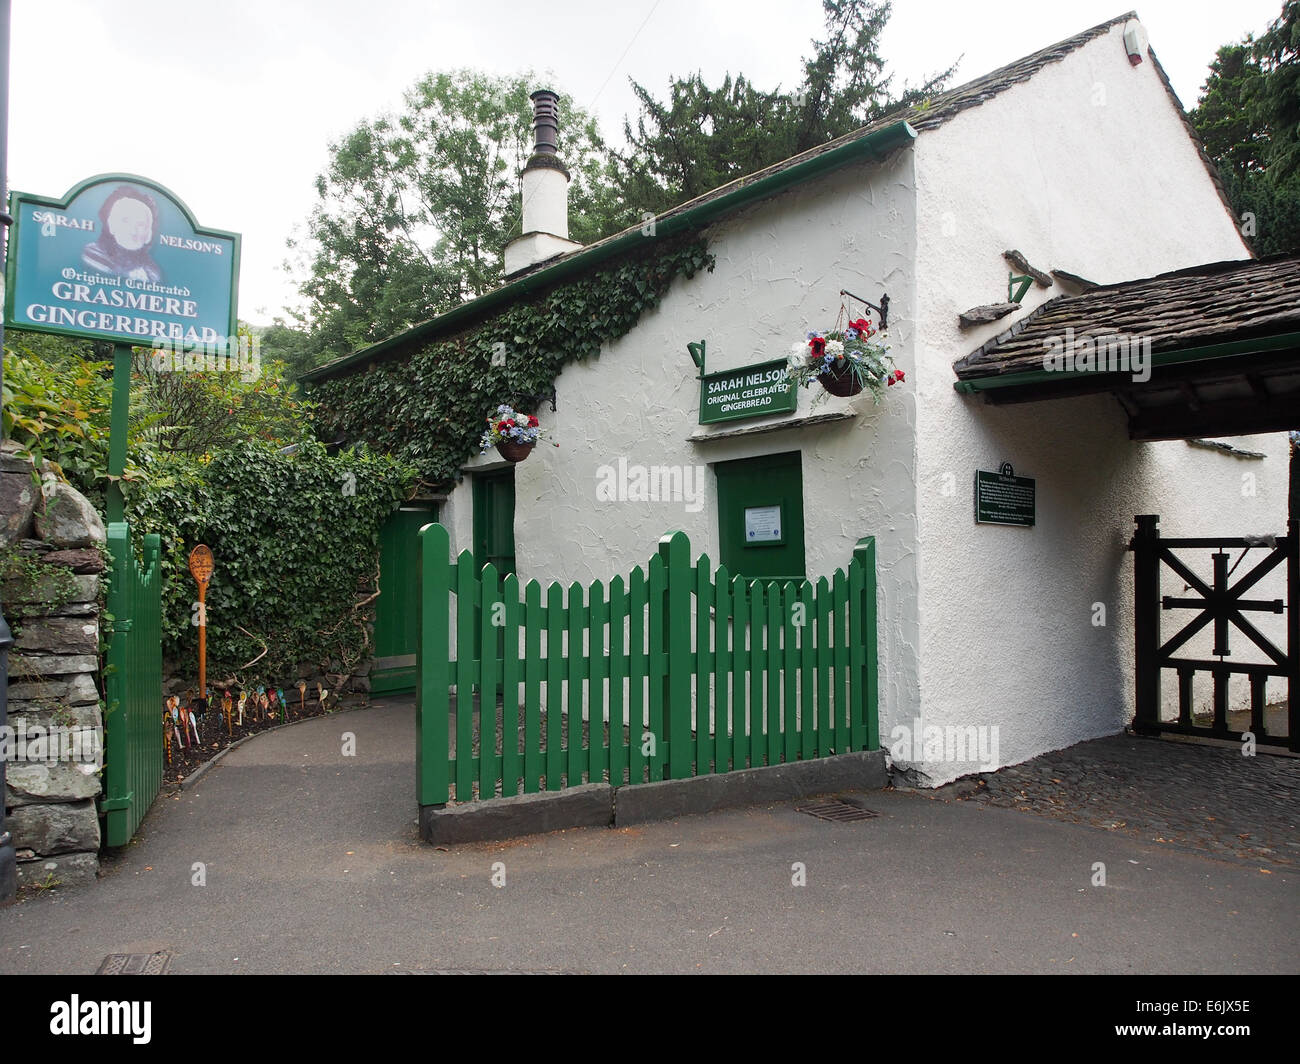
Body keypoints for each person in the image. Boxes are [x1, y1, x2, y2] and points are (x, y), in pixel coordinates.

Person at [82, 184, 164, 282]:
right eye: (125, 221)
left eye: (141, 224)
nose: (133, 231)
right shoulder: (91, 256)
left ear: (148, 235)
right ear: (111, 225)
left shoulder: (152, 273)